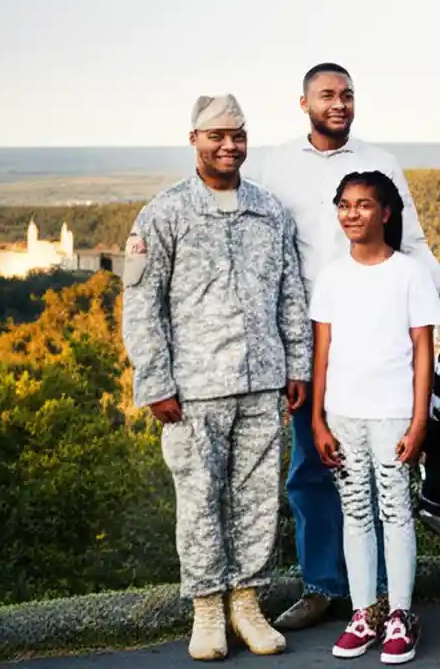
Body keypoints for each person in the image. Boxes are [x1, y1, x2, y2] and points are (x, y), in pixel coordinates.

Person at [250, 62, 440, 632]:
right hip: (312, 331)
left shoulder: (381, 164)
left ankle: (383, 593)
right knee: (313, 464)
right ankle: (322, 586)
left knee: (385, 468)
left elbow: (414, 241)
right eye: (327, 94)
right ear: (303, 102)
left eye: (348, 95)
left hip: (380, 334)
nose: (339, 103)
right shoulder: (275, 165)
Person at [122, 94, 311, 661]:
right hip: (194, 388)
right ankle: (207, 609)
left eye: (238, 135)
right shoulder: (165, 213)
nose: (229, 145)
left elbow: (290, 294)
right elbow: (140, 302)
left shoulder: (270, 211)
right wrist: (154, 380)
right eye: (216, 136)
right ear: (194, 140)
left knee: (257, 500)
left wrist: (296, 364)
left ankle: (247, 604)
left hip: (262, 382)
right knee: (200, 500)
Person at [309, 170, 437, 663]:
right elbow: (322, 353)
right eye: (345, 204)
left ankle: (401, 614)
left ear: (386, 212)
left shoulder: (409, 274)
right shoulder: (332, 277)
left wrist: (419, 421)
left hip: (393, 416)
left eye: (364, 205)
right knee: (356, 512)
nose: (352, 214)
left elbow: (422, 350)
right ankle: (365, 613)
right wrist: (318, 420)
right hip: (343, 416)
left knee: (395, 510)